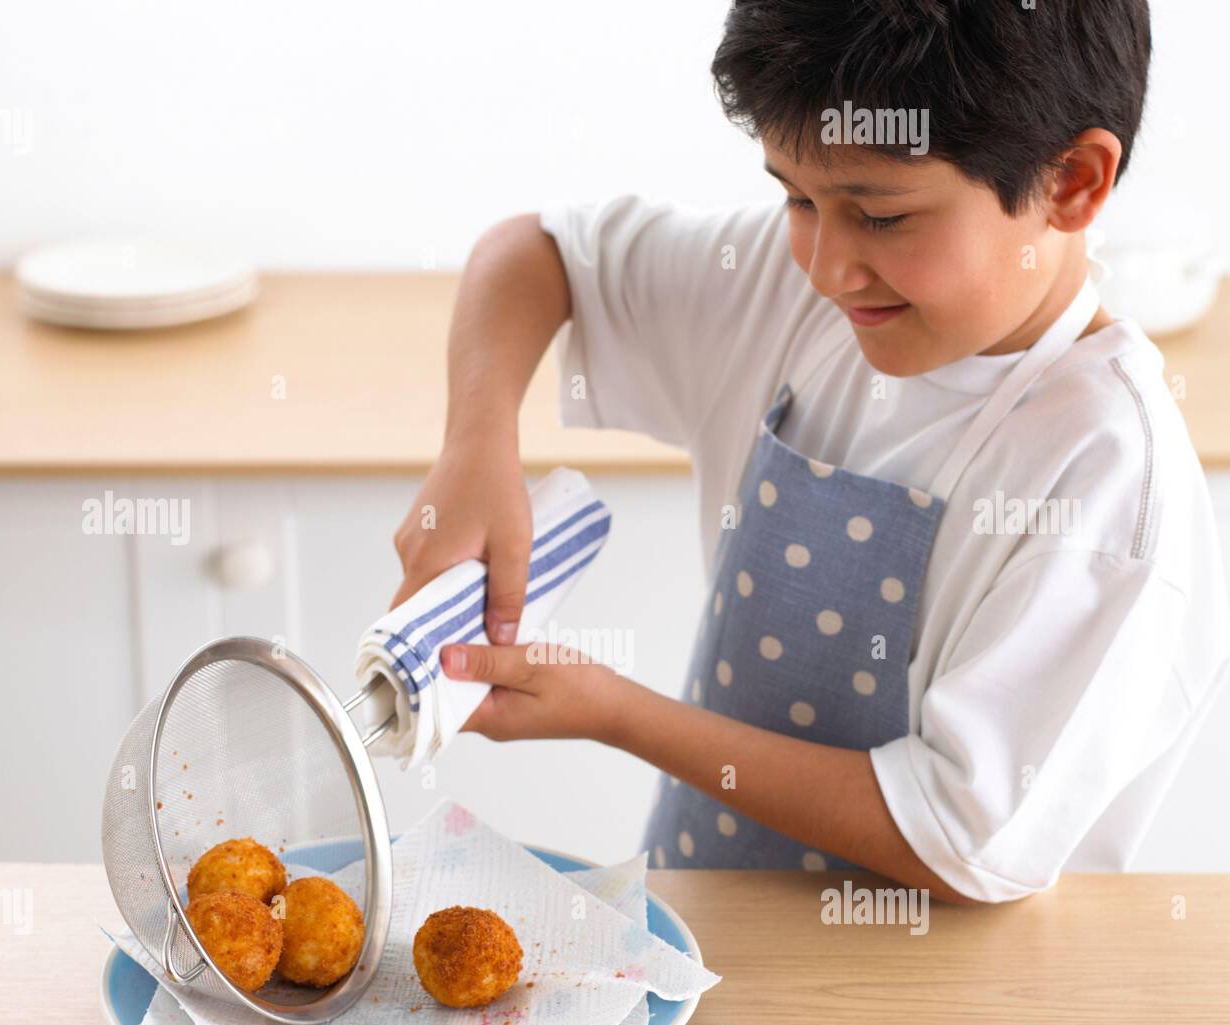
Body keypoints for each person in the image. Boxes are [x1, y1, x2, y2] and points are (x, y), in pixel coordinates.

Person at [389, 0, 1228, 904]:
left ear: (1072, 181)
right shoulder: (796, 292)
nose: (827, 266)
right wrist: (475, 447)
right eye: (796, 196)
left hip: (949, 1008)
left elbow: (957, 837)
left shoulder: (1106, 474)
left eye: (882, 216)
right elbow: (539, 252)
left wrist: (619, 715)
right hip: (716, 940)